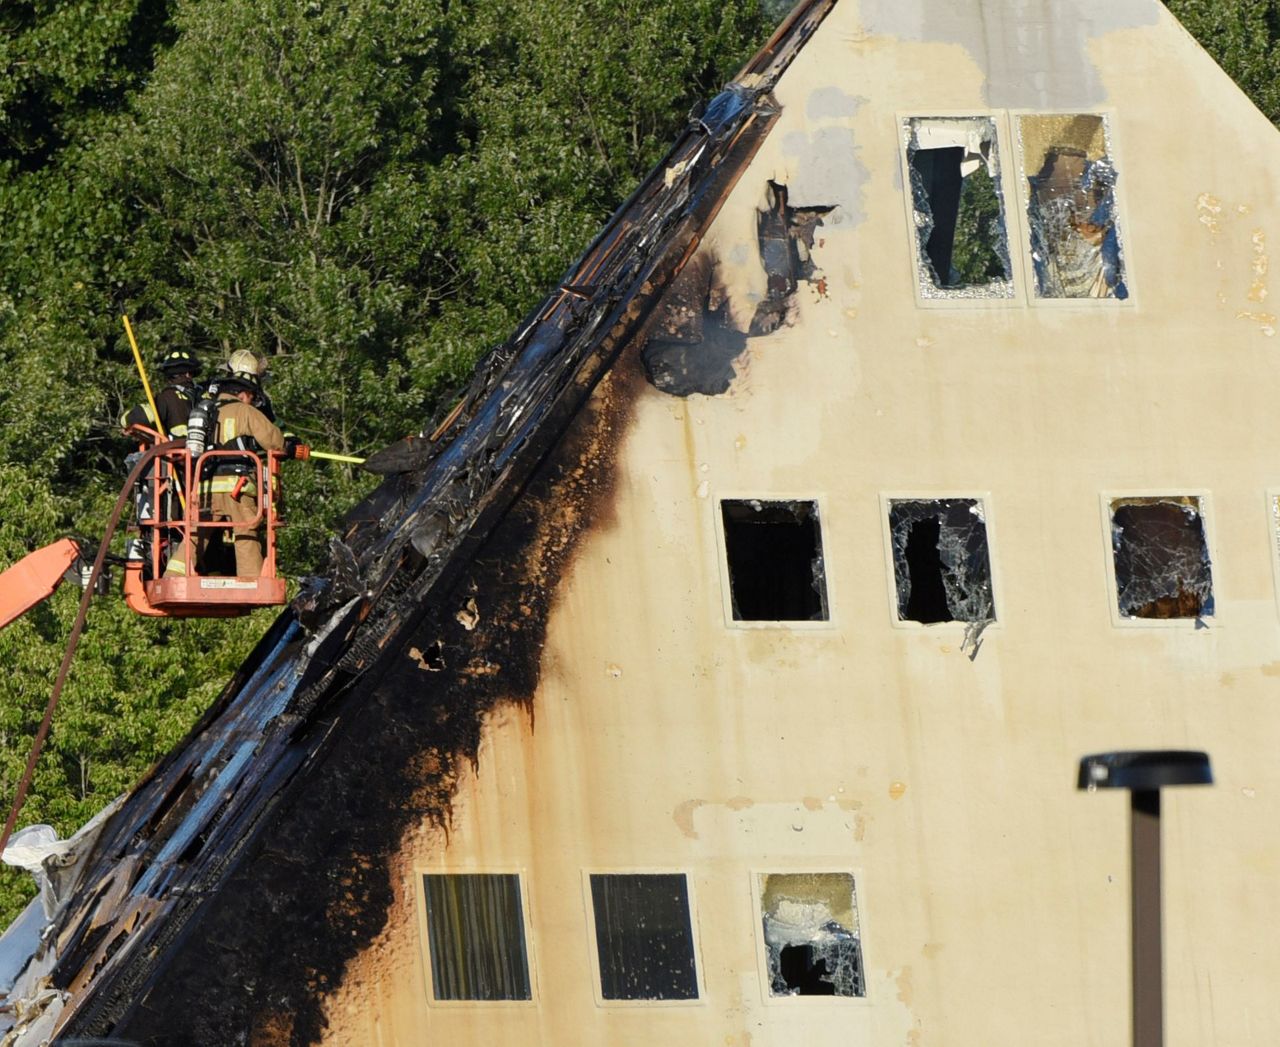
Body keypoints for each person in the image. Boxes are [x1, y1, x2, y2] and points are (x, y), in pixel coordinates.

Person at [200, 365, 307, 578]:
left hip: (205, 487)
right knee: (246, 529)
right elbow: (274, 441)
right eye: (250, 397)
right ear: (242, 394)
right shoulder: (245, 410)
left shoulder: (205, 412)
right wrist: (292, 448)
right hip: (236, 486)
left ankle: (173, 575)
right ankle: (251, 582)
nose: (251, 401)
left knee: (197, 532)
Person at [120, 348, 202, 439]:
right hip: (209, 449)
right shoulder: (204, 394)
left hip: (176, 449)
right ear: (188, 374)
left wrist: (125, 421)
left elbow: (142, 416)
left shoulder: (167, 396)